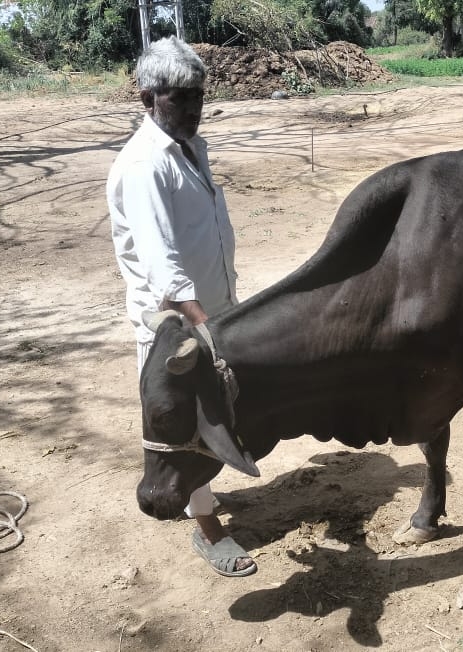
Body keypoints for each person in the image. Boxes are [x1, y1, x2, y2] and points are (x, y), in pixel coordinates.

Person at [106, 36, 256, 577]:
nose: (193, 107)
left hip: (209, 310)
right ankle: (207, 527)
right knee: (182, 422)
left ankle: (202, 496)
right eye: (179, 97)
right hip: (176, 324)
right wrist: (204, 326)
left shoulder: (189, 147)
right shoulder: (145, 164)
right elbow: (161, 260)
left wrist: (223, 311)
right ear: (148, 98)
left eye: (198, 95)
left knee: (214, 412)